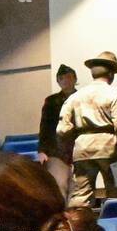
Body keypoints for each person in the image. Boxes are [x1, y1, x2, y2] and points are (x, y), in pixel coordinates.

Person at [57, 51, 117, 208]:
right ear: (111, 73)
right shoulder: (116, 94)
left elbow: (62, 130)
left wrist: (68, 151)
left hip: (82, 150)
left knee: (80, 198)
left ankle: (80, 229)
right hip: (113, 150)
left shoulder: (74, 97)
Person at [36, 64, 78, 198]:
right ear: (58, 81)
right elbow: (45, 127)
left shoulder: (82, 97)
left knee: (79, 186)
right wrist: (42, 150)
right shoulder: (51, 101)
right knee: (60, 184)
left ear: (75, 79)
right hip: (57, 148)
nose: (66, 80)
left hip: (79, 146)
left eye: (69, 77)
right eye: (62, 78)